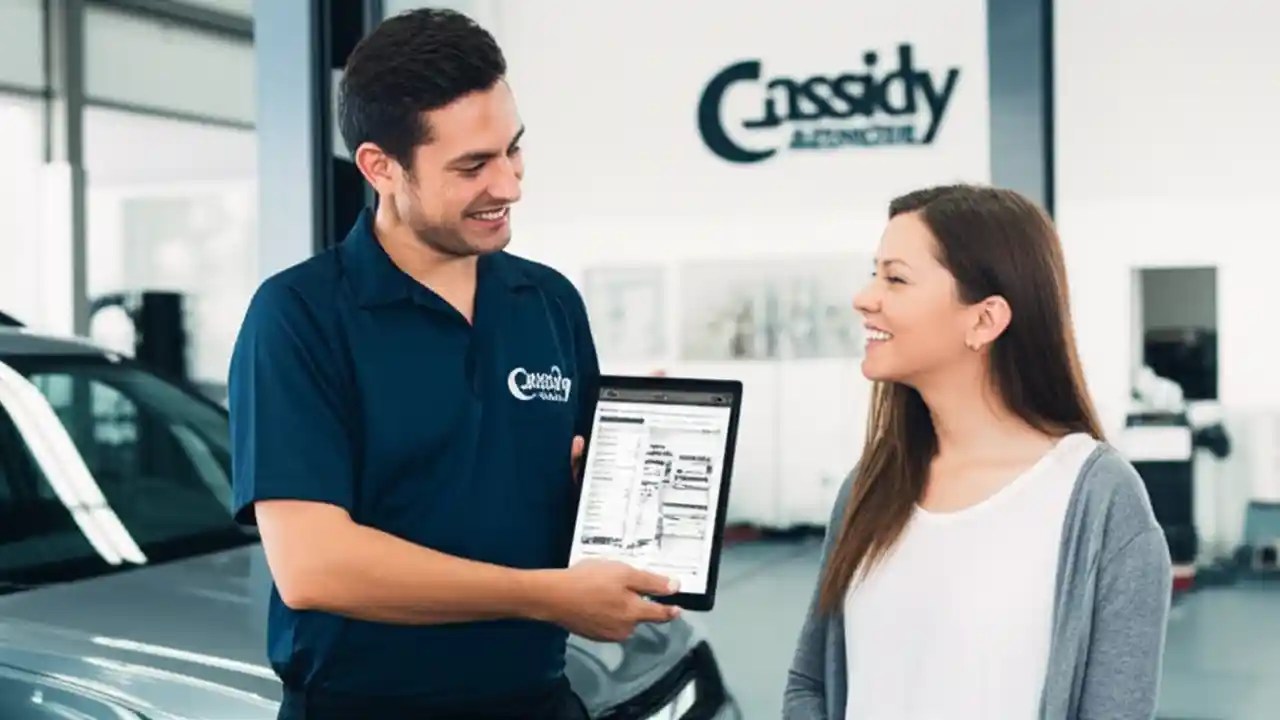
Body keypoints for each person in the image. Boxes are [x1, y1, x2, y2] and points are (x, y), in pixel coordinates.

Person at [227, 9, 680, 720]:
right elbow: (316, 567)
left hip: (537, 699)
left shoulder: (547, 302)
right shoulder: (299, 317)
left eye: (514, 150)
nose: (509, 185)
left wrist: (625, 480)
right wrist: (547, 596)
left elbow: (561, 498)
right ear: (380, 166)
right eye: (473, 166)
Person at [783, 185, 1172, 719]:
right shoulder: (870, 487)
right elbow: (811, 682)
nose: (864, 297)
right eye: (875, 273)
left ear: (985, 320)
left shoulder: (1099, 502)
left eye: (895, 278)